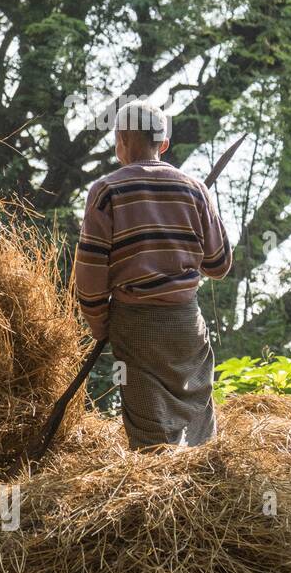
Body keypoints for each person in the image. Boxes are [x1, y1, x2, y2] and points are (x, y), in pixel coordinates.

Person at [72, 101, 233, 449]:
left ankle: (161, 500)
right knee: (198, 424)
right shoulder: (194, 189)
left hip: (136, 326)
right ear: (163, 144)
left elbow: (89, 271)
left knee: (152, 438)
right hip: (186, 328)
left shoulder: (106, 191)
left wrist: (100, 323)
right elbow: (219, 265)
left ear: (123, 139)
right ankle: (202, 494)